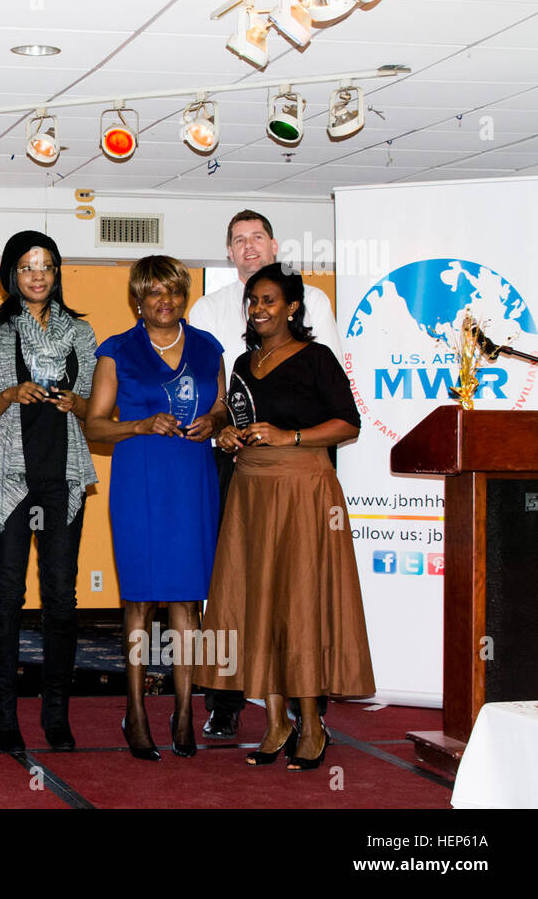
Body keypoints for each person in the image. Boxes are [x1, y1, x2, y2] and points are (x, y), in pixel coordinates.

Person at [195, 262, 374, 770]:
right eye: (253, 301)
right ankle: (275, 723)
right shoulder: (242, 364)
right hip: (250, 492)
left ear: (293, 307)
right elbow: (233, 417)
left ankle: (312, 724)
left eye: (270, 300)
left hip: (303, 489)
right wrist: (223, 431)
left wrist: (290, 436)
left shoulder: (316, 358)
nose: (259, 309)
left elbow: (348, 423)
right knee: (258, 604)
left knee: (299, 601)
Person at [187, 208, 341, 740]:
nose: (248, 247)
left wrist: (291, 438)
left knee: (299, 585)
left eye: (256, 238)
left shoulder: (313, 303)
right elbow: (215, 392)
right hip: (234, 464)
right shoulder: (208, 309)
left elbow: (332, 398)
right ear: (228, 252)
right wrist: (218, 429)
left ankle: (306, 705)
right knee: (232, 581)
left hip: (298, 469)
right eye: (237, 240)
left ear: (274, 245)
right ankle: (226, 699)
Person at [84, 256, 224, 760]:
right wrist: (138, 426)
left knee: (189, 604)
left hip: (192, 479)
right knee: (140, 603)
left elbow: (222, 405)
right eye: (154, 294)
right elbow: (95, 425)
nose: (165, 302)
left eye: (174, 293)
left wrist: (214, 420)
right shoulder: (116, 351)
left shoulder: (210, 348)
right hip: (140, 481)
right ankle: (136, 711)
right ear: (137, 300)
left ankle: (185, 711)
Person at [0, 230, 97, 753]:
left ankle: (55, 716)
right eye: (26, 266)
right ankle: (4, 716)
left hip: (62, 477)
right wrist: (10, 392)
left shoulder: (80, 332)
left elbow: (95, 406)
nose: (37, 274)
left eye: (45, 265)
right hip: (10, 478)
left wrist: (75, 404)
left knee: (62, 600)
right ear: (10, 275)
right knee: (6, 596)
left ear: (57, 272)